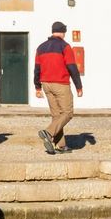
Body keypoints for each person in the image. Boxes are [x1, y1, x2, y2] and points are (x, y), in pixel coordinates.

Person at [33, 20, 83, 154]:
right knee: (67, 113)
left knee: (57, 116)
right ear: (63, 32)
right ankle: (48, 133)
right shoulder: (65, 47)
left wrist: (37, 87)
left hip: (46, 85)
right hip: (60, 84)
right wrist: (79, 86)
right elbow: (72, 67)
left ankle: (61, 146)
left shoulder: (40, 47)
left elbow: (37, 69)